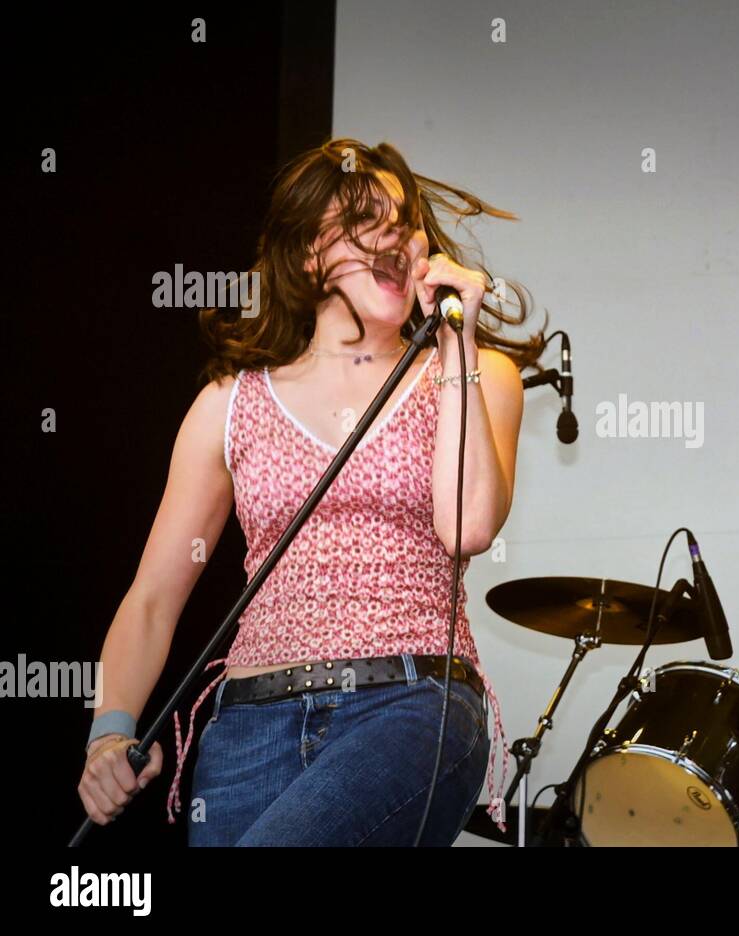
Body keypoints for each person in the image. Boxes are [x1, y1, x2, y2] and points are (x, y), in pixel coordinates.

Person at [77, 138, 544, 845]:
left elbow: (468, 526)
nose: (392, 235)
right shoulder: (228, 404)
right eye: (363, 218)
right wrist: (108, 736)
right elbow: (150, 600)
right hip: (249, 725)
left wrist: (454, 336)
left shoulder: (479, 375)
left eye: (402, 222)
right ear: (306, 253)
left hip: (411, 705)